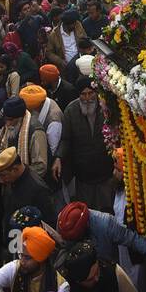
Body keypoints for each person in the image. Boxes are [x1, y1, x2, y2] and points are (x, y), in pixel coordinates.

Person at [55, 78, 115, 211]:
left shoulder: (106, 107)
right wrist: (58, 157)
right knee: (87, 213)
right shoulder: (71, 111)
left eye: (90, 93)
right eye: (83, 94)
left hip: (105, 172)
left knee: (108, 211)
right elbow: (66, 139)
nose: (87, 98)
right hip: (83, 175)